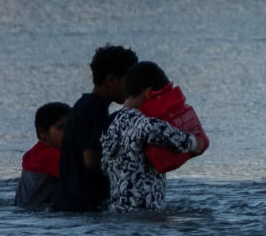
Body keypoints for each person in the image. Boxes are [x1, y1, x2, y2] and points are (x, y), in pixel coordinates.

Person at [99, 61, 204, 212]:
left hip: (118, 210)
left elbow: (103, 166)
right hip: (145, 214)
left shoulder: (110, 124)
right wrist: (193, 142)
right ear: (148, 93)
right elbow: (155, 128)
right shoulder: (142, 123)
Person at [52, 45, 137, 213]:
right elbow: (91, 160)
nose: (133, 87)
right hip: (80, 207)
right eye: (130, 80)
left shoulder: (87, 105)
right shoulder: (93, 108)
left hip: (71, 204)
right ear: (111, 80)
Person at [15, 102, 68, 210]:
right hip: (40, 216)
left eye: (72, 126)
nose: (69, 131)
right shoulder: (50, 157)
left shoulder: (33, 154)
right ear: (42, 133)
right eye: (61, 128)